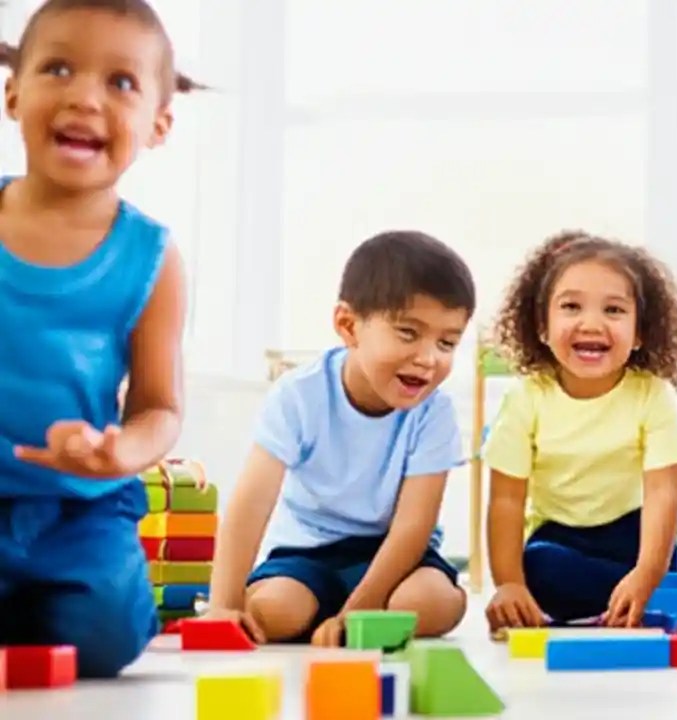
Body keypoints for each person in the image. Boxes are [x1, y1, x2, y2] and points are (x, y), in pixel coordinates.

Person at [0, 0, 196, 678]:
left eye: (120, 82)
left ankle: (48, 604)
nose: (84, 97)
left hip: (80, 510)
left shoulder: (153, 258)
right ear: (13, 94)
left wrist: (120, 453)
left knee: (104, 639)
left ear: (158, 124)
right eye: (58, 68)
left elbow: (159, 405)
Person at [205, 231, 473, 647]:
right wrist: (224, 604)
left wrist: (360, 609)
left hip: (398, 560)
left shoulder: (435, 411)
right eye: (408, 333)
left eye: (447, 342)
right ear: (348, 326)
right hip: (309, 554)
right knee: (271, 613)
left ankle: (343, 615)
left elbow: (412, 527)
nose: (428, 358)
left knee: (433, 602)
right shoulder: (299, 395)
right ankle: (320, 610)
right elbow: (251, 502)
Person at [483, 230, 677, 631]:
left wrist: (646, 574)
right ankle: (623, 602)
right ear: (542, 326)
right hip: (561, 540)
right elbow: (506, 501)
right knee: (540, 565)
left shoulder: (655, 395)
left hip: (636, 539)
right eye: (571, 306)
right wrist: (509, 584)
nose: (591, 323)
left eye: (614, 310)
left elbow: (662, 493)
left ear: (641, 332)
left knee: (659, 577)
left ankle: (640, 595)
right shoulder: (526, 399)